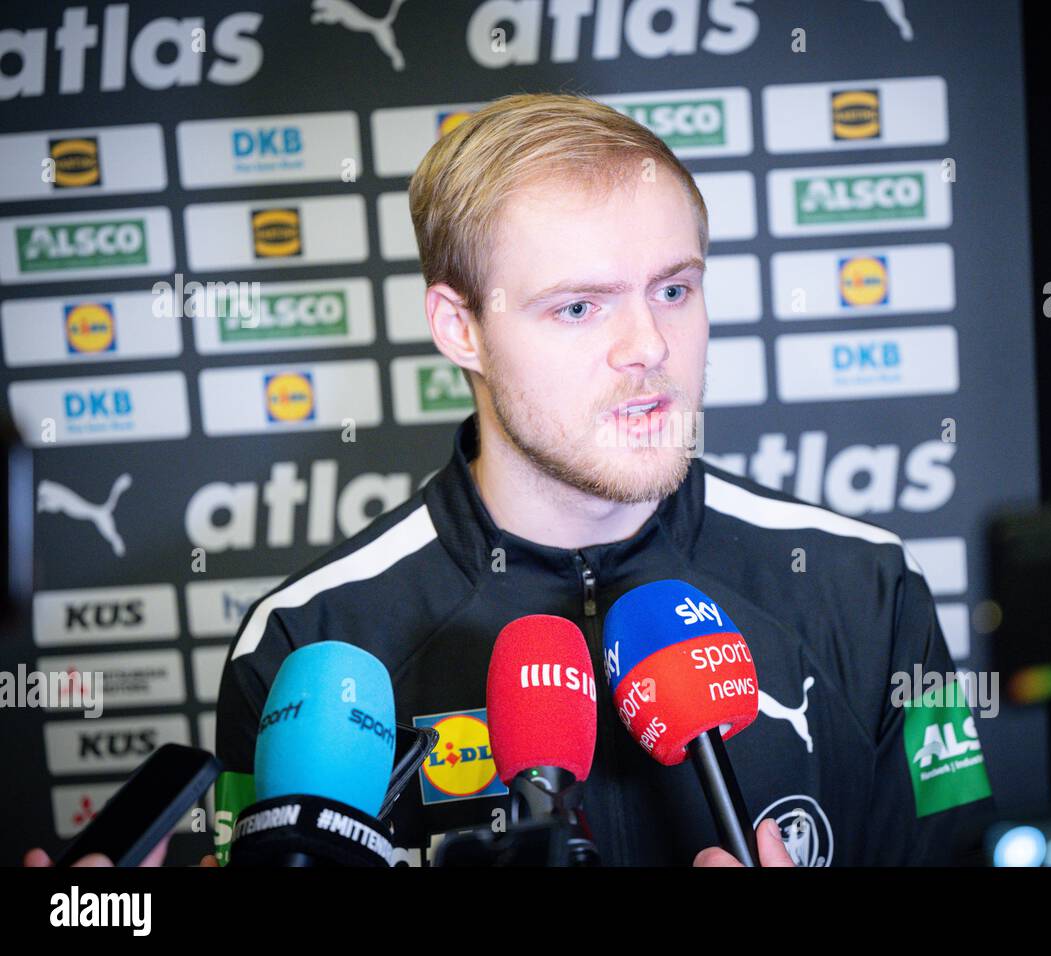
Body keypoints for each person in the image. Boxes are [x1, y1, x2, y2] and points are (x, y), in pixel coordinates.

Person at [206, 91, 994, 867]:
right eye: (580, 307)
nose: (649, 344)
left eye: (674, 290)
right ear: (460, 328)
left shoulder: (869, 588)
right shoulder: (303, 640)